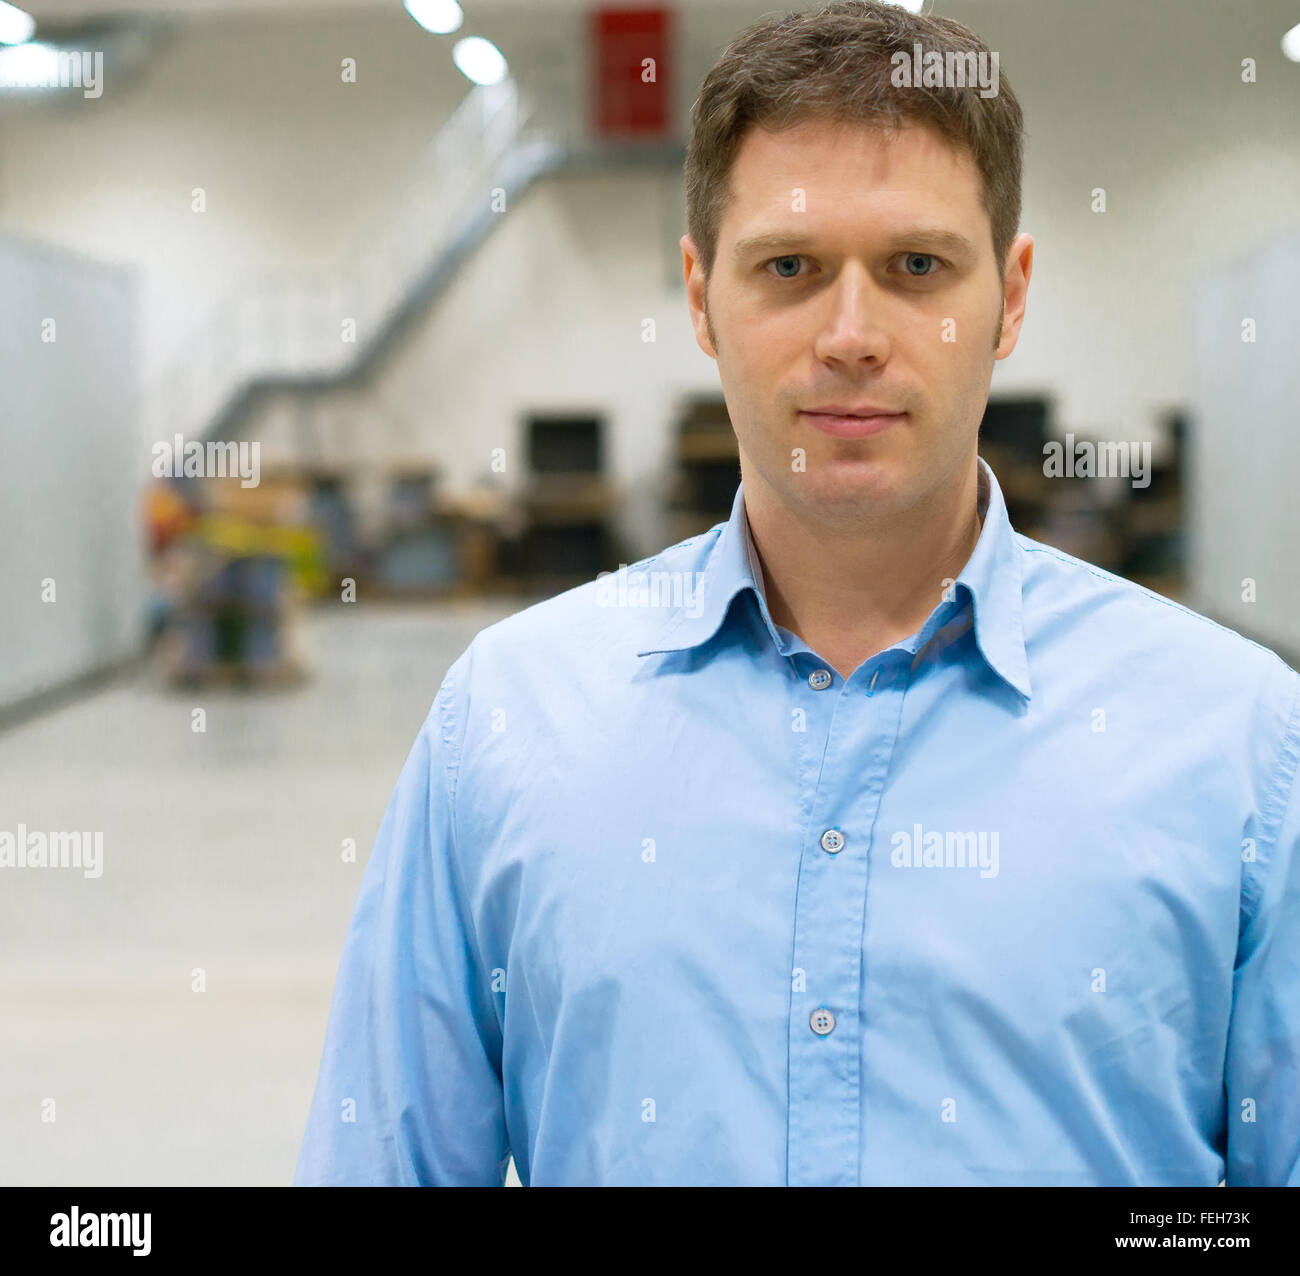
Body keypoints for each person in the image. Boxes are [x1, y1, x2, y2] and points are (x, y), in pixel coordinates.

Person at [294, 0, 1299, 1186]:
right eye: (790, 268)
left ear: (1010, 297)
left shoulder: (1236, 740)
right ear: (699, 296)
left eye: (916, 265)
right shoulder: (508, 719)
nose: (852, 335)